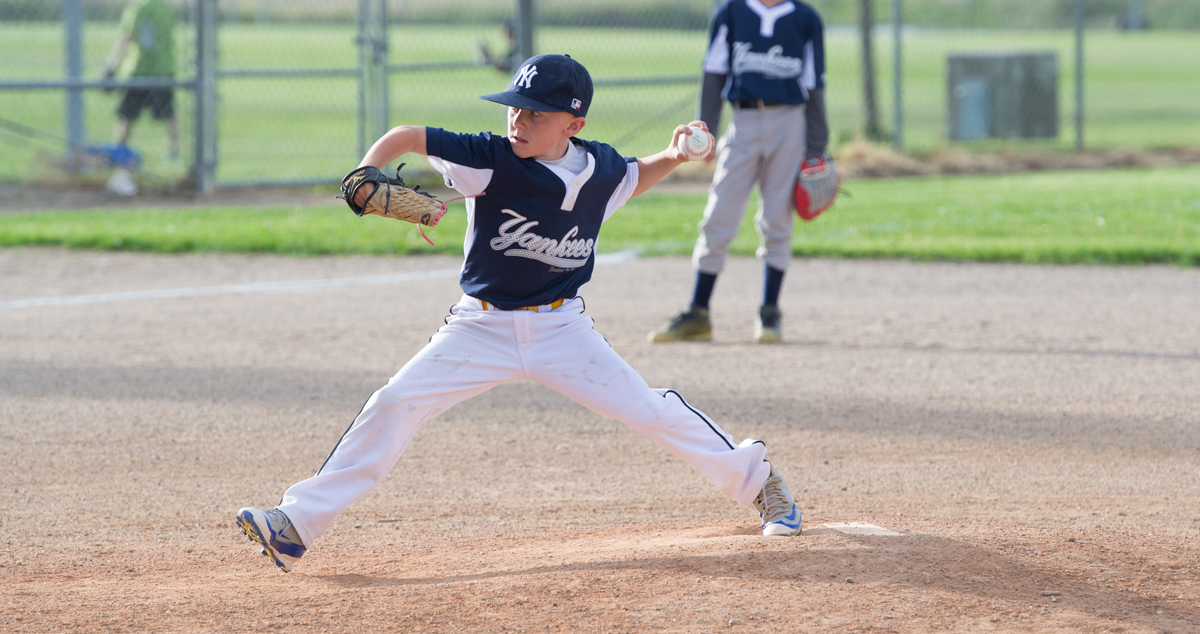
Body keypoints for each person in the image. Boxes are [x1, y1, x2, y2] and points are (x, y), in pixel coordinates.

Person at [235, 54, 803, 573]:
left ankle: (762, 482)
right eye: (515, 108)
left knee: (648, 410)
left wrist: (675, 155)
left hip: (563, 329)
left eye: (536, 113)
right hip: (479, 327)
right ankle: (296, 523)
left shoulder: (600, 169)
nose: (518, 120)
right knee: (394, 404)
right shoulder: (487, 160)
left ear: (572, 125)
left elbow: (630, 178)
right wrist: (366, 168)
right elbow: (406, 136)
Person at [648, 0, 831, 344]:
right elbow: (714, 70)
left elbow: (813, 81)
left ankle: (770, 313)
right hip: (743, 121)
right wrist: (708, 131)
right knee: (719, 215)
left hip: (790, 122)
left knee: (778, 218)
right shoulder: (732, 11)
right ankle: (698, 313)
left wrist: (818, 146)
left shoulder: (806, 18)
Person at [102, 0, 179, 160]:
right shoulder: (165, 7)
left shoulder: (139, 7)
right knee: (168, 114)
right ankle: (173, 152)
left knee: (126, 115)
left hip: (139, 70)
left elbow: (127, 36)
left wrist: (111, 66)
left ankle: (119, 150)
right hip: (164, 70)